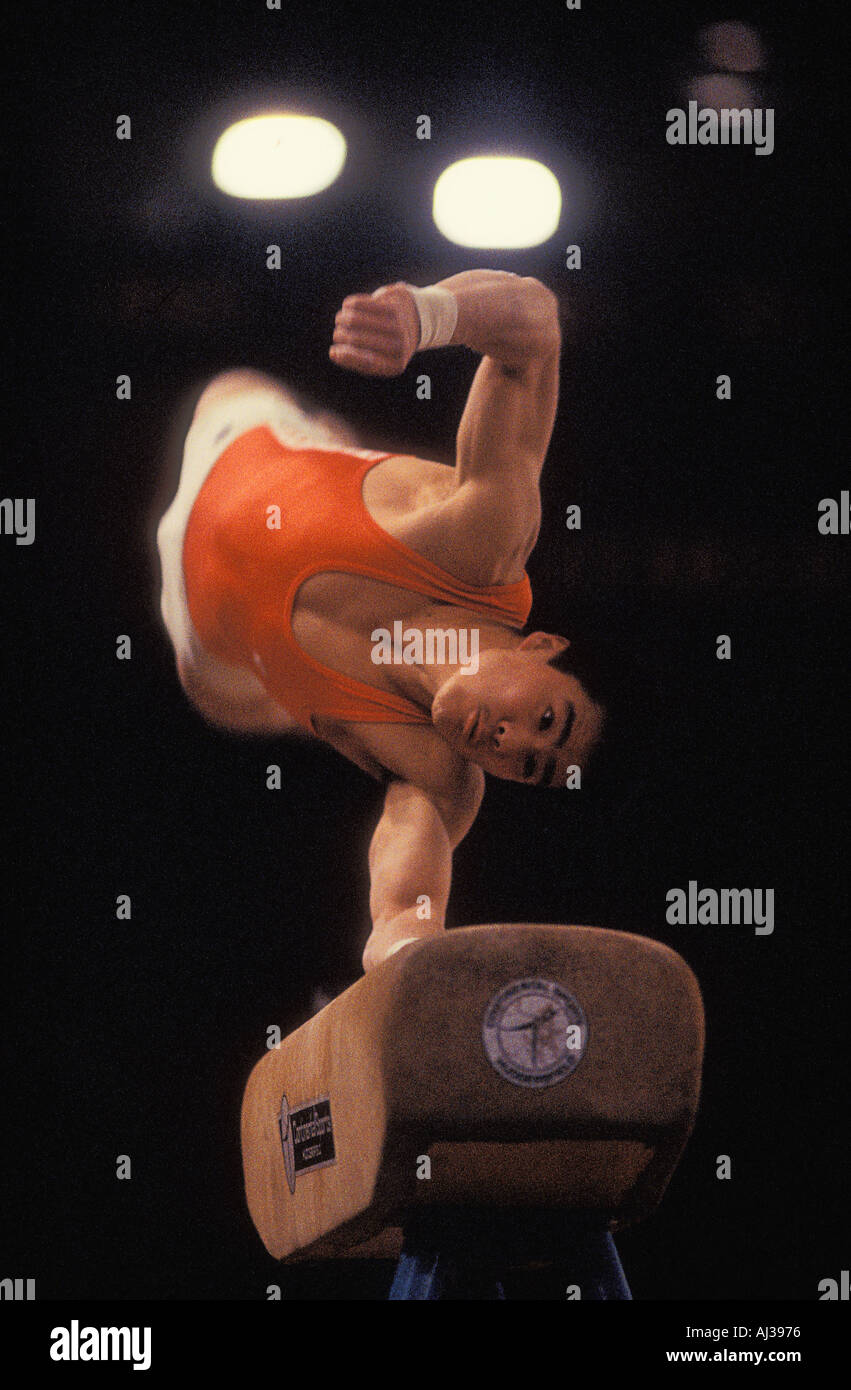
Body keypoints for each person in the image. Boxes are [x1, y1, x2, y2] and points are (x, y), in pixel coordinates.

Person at [157, 269, 605, 969]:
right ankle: (333, 438)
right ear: (543, 646)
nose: (507, 739)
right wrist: (426, 316)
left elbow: (406, 908)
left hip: (206, 653)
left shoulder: (436, 774)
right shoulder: (483, 540)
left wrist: (406, 953)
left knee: (232, 701)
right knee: (235, 382)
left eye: (526, 765)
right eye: (546, 720)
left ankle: (333, 450)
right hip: (233, 436)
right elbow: (537, 328)